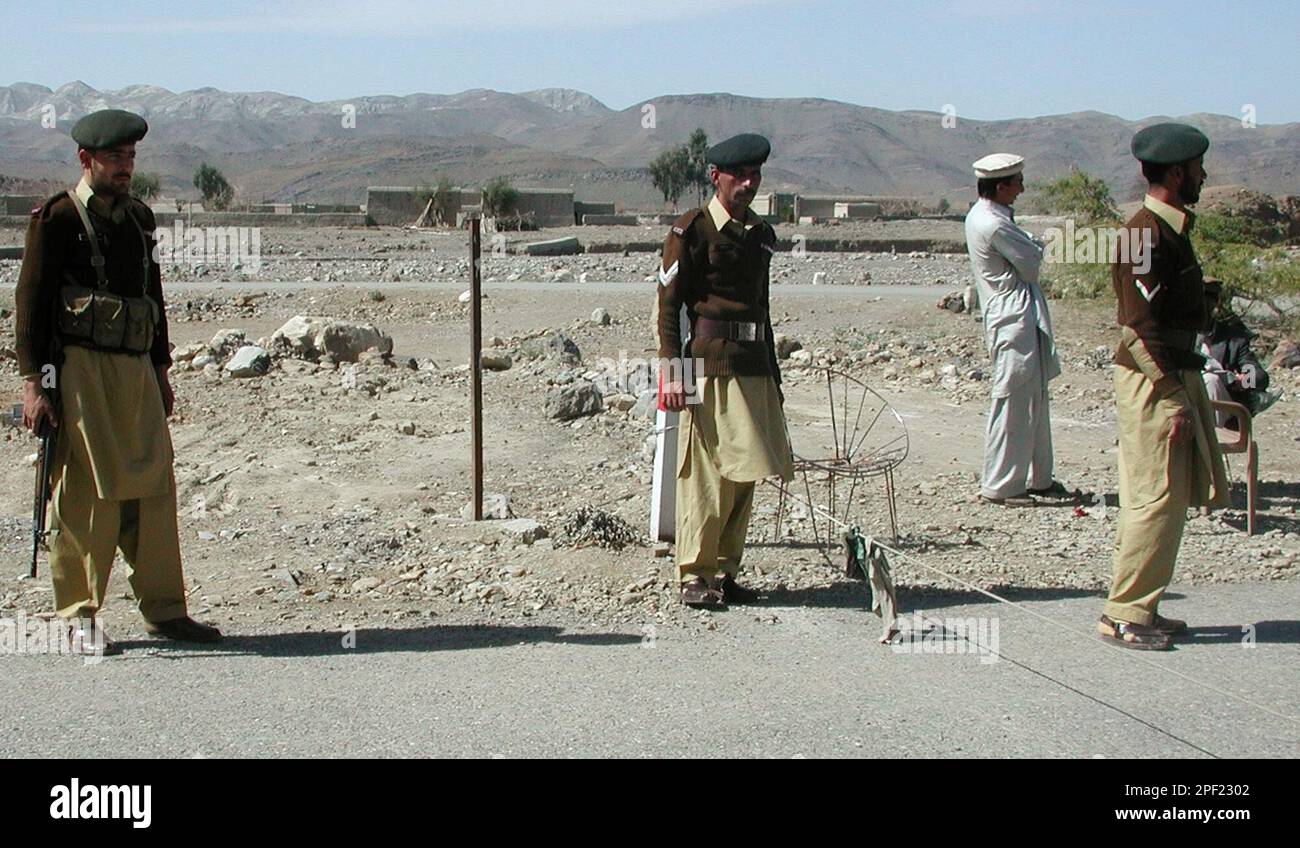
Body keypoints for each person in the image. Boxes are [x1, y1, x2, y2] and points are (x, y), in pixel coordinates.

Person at [14, 108, 221, 655]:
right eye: (115, 158)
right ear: (87, 160)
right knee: (88, 494)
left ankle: (166, 611)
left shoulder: (139, 221)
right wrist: (35, 384)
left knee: (155, 487)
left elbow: (152, 298)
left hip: (135, 372)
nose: (125, 167)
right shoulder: (55, 219)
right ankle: (80, 615)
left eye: (130, 158)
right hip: (81, 371)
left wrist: (161, 370)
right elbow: (30, 307)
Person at [1101, 123, 1230, 650]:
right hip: (1156, 380)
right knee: (1155, 496)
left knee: (1168, 496)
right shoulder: (1143, 232)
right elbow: (1137, 326)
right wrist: (1172, 394)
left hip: (1174, 372)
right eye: (1197, 168)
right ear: (1177, 172)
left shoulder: (1169, 230)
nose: (1204, 175)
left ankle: (1143, 606)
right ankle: (1124, 614)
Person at [656, 133, 793, 609]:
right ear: (716, 177)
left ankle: (727, 571)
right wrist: (671, 370)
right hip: (710, 365)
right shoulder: (690, 231)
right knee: (708, 473)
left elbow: (765, 307)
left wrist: (774, 374)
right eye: (740, 176)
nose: (749, 184)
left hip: (753, 366)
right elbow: (669, 307)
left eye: (755, 175)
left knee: (745, 473)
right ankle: (695, 573)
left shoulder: (760, 234)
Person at [963, 153, 1067, 507]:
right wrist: (1037, 247)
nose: (1021, 189)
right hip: (1012, 317)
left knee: (1032, 397)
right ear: (1001, 186)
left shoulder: (988, 216)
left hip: (1017, 315)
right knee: (1012, 398)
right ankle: (1001, 484)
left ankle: (1039, 477)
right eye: (1016, 183)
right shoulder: (993, 223)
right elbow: (1032, 265)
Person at [1198, 279, 1274, 428]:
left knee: (1211, 380)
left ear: (1215, 304)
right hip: (1185, 398)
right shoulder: (1179, 334)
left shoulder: (1234, 339)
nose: (1202, 307)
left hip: (1223, 404)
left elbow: (1258, 375)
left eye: (1208, 301)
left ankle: (1213, 441)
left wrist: (1244, 380)